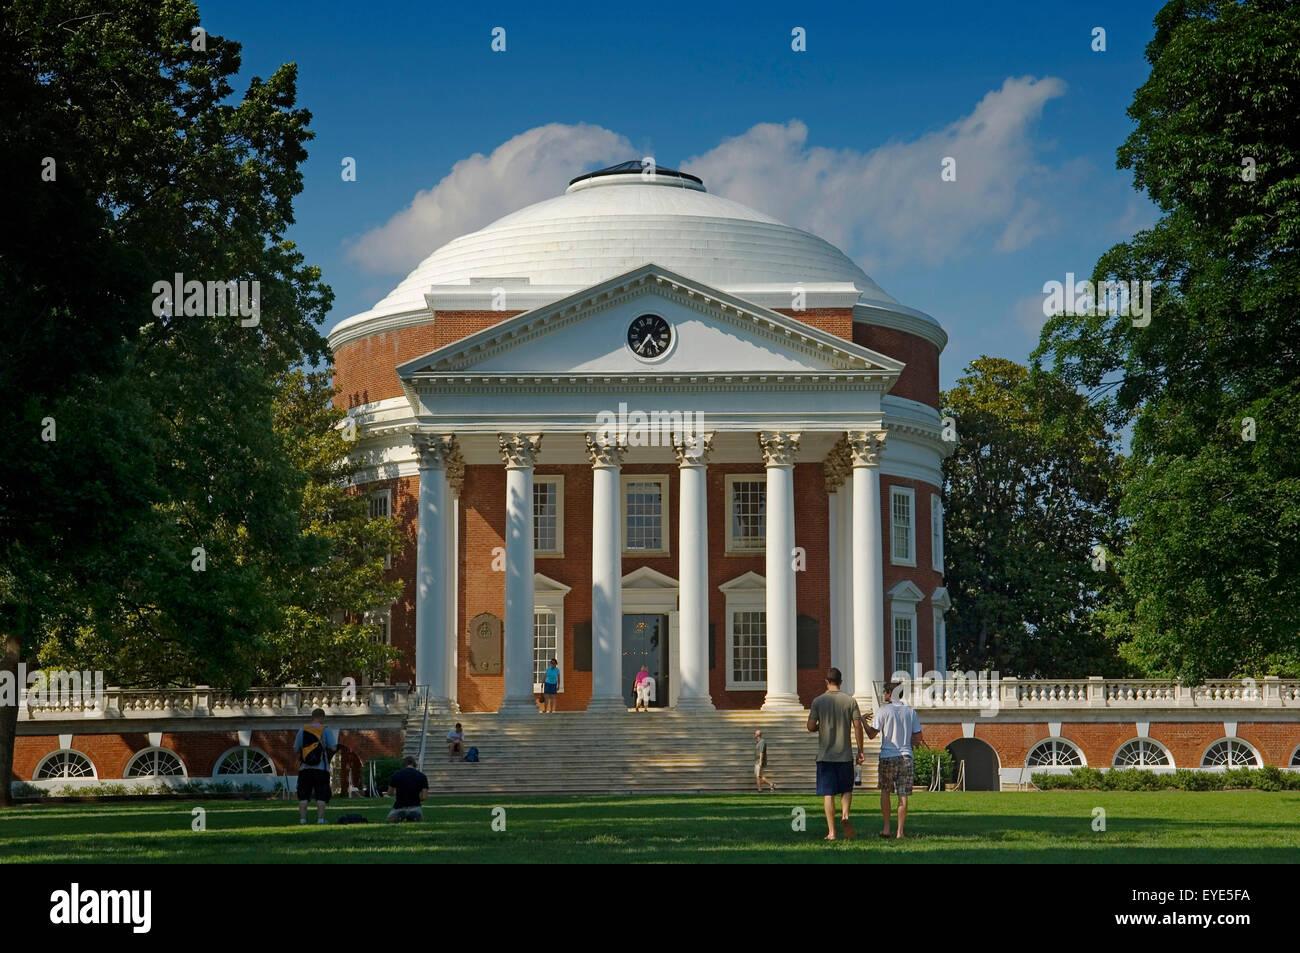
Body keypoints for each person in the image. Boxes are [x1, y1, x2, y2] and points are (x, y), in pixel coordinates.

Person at [806, 667, 863, 841]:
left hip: (825, 755)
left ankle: (831, 832)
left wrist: (819, 727)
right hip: (844, 754)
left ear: (826, 681)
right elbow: (858, 727)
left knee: (828, 794)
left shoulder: (818, 701)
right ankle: (845, 815)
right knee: (847, 789)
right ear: (841, 682)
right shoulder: (850, 701)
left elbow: (810, 726)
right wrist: (861, 750)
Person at [865, 680, 925, 839]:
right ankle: (900, 831)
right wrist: (907, 741)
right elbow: (918, 738)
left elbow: (872, 734)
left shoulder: (883, 711)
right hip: (906, 756)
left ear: (890, 694)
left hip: (887, 756)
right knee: (903, 795)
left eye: (885, 692)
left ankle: (886, 829)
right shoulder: (910, 712)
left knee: (885, 792)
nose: (884, 695)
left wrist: (863, 722)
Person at [293, 708, 337, 825]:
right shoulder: (325, 730)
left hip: (304, 768)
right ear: (322, 717)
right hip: (321, 768)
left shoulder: (302, 730)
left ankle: (302, 820)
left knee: (303, 795)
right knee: (321, 795)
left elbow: (296, 749)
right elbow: (333, 747)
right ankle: (320, 820)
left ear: (312, 717)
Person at [385, 755, 429, 822]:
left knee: (389, 819)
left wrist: (398, 795)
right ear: (414, 764)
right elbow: (424, 797)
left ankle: (400, 816)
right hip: (415, 806)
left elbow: (389, 793)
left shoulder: (396, 775)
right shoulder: (422, 776)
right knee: (419, 818)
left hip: (399, 806)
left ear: (404, 764)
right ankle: (413, 816)